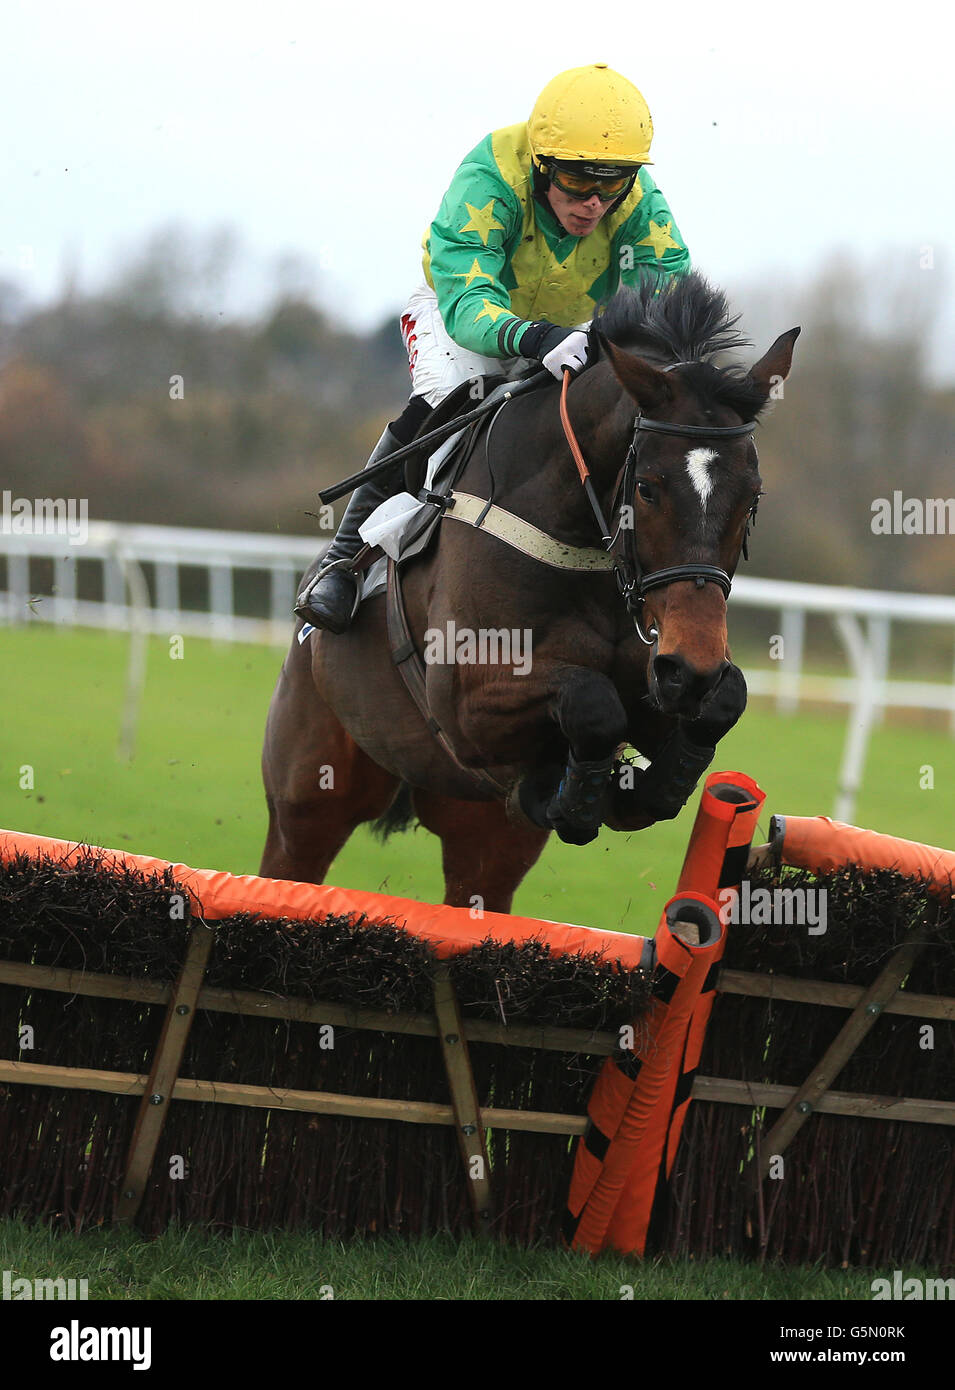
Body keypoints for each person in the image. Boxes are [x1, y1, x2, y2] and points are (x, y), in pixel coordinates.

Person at [296, 62, 690, 632]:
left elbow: (667, 295)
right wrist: (534, 338)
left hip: (572, 325)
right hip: (459, 312)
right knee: (451, 396)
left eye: (614, 182)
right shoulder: (488, 180)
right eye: (579, 180)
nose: (595, 203)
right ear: (541, 162)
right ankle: (342, 564)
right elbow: (469, 303)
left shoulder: (633, 202)